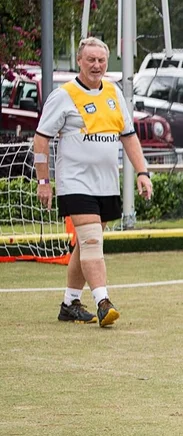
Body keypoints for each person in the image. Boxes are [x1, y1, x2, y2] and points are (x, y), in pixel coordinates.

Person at [34, 37, 154, 328]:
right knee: (91, 241)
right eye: (91, 60)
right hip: (75, 182)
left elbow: (128, 135)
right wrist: (43, 180)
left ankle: (69, 303)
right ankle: (103, 302)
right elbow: (41, 139)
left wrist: (142, 172)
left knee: (85, 244)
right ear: (79, 61)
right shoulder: (64, 95)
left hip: (106, 184)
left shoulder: (113, 92)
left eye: (101, 60)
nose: (97, 65)